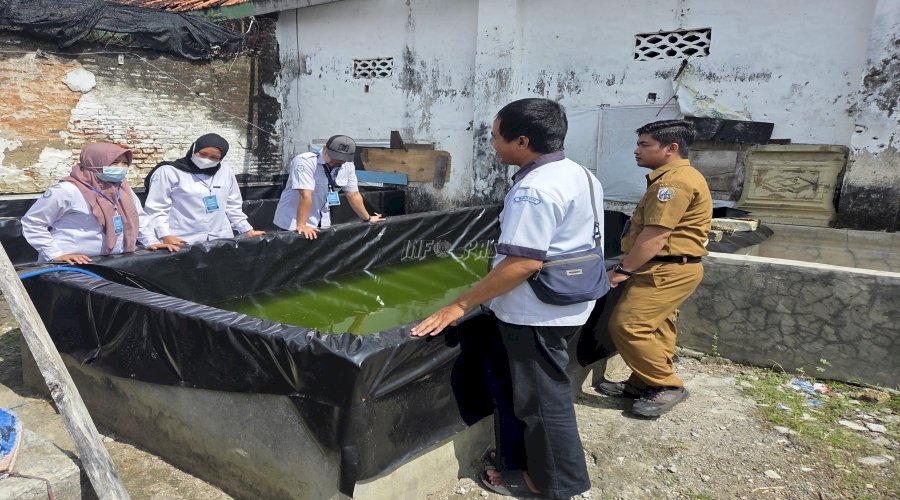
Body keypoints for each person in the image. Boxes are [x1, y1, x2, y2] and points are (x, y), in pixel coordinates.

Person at [412, 98, 602, 499]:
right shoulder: (580, 174)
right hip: (570, 303)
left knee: (543, 403)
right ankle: (520, 461)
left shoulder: (534, 188)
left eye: (496, 137)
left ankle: (553, 484)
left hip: (537, 312)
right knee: (527, 390)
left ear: (521, 140)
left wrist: (458, 305)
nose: (493, 144)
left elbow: (522, 264)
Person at [600, 119, 712, 417]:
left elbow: (656, 235)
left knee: (628, 325)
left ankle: (667, 386)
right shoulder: (680, 176)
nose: (636, 151)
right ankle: (643, 383)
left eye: (644, 145)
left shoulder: (672, 183)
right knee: (658, 327)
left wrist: (622, 269)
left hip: (667, 268)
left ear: (670, 148)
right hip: (668, 267)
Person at [22, 142, 181, 264]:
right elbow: (33, 222)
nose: (121, 168)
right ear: (94, 162)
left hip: (111, 261)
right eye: (114, 162)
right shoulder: (66, 190)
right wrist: (54, 254)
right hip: (69, 264)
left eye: (125, 163)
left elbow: (138, 217)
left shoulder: (123, 188)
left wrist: (151, 241)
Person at [143, 133, 265, 246]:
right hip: (182, 241)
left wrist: (247, 230)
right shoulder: (169, 171)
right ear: (194, 148)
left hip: (221, 240)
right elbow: (156, 208)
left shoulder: (225, 171)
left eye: (214, 157)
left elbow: (233, 206)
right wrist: (165, 235)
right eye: (203, 154)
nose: (207, 160)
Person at [272, 135, 384, 239]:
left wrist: (367, 218)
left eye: (342, 159)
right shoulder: (305, 161)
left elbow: (353, 194)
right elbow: (306, 195)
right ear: (325, 148)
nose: (337, 161)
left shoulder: (348, 166)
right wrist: (301, 225)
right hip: (293, 223)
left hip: (322, 223)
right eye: (334, 156)